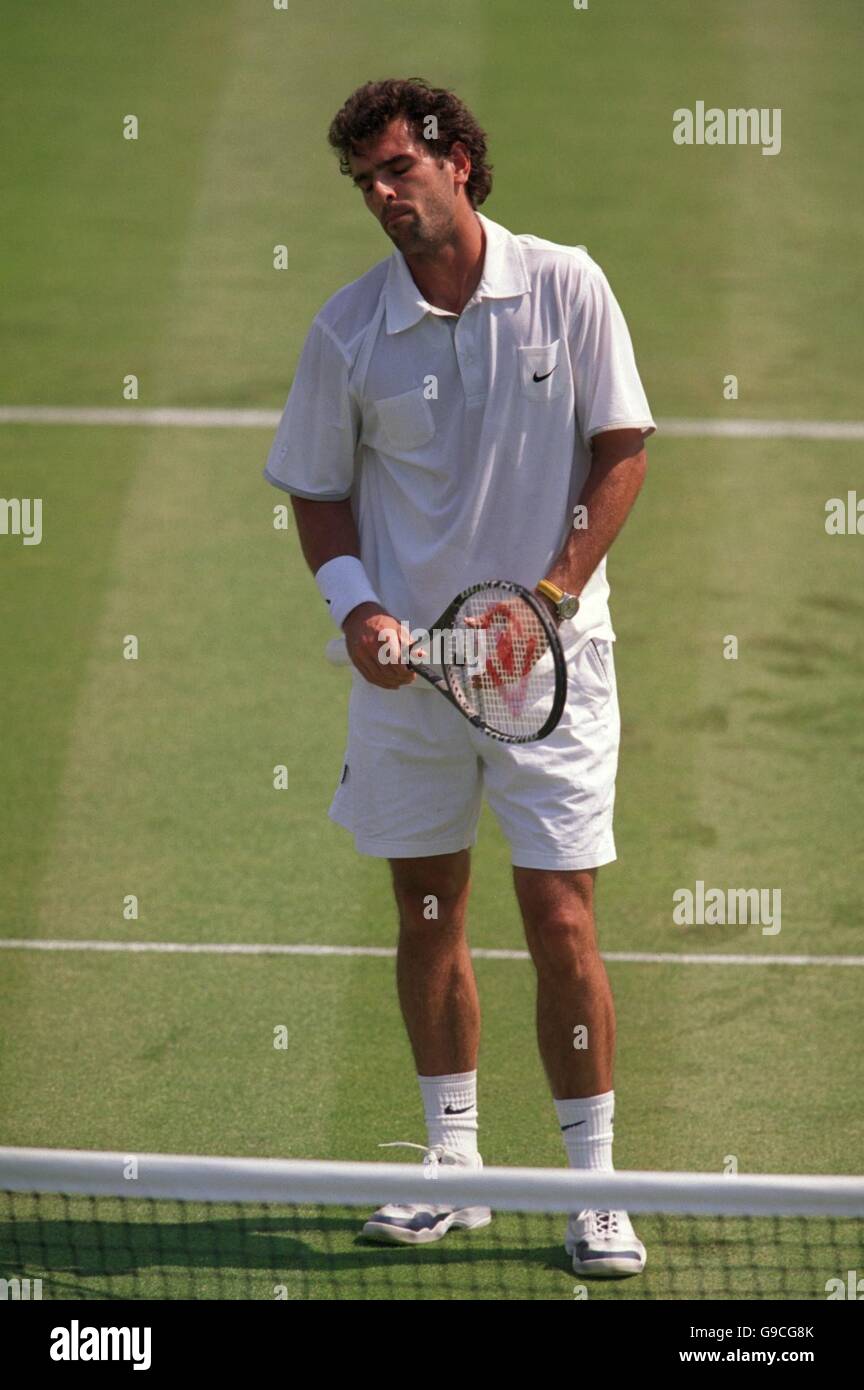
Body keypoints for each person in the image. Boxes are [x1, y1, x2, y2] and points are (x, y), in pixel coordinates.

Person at [264, 78, 655, 1278]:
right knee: (428, 912)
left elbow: (622, 447)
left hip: (551, 672)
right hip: (416, 685)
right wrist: (361, 609)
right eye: (366, 181)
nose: (382, 196)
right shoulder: (347, 330)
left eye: (398, 170)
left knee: (562, 918)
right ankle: (457, 1166)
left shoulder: (568, 286)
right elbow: (319, 493)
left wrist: (546, 599)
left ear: (461, 164)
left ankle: (594, 1191)